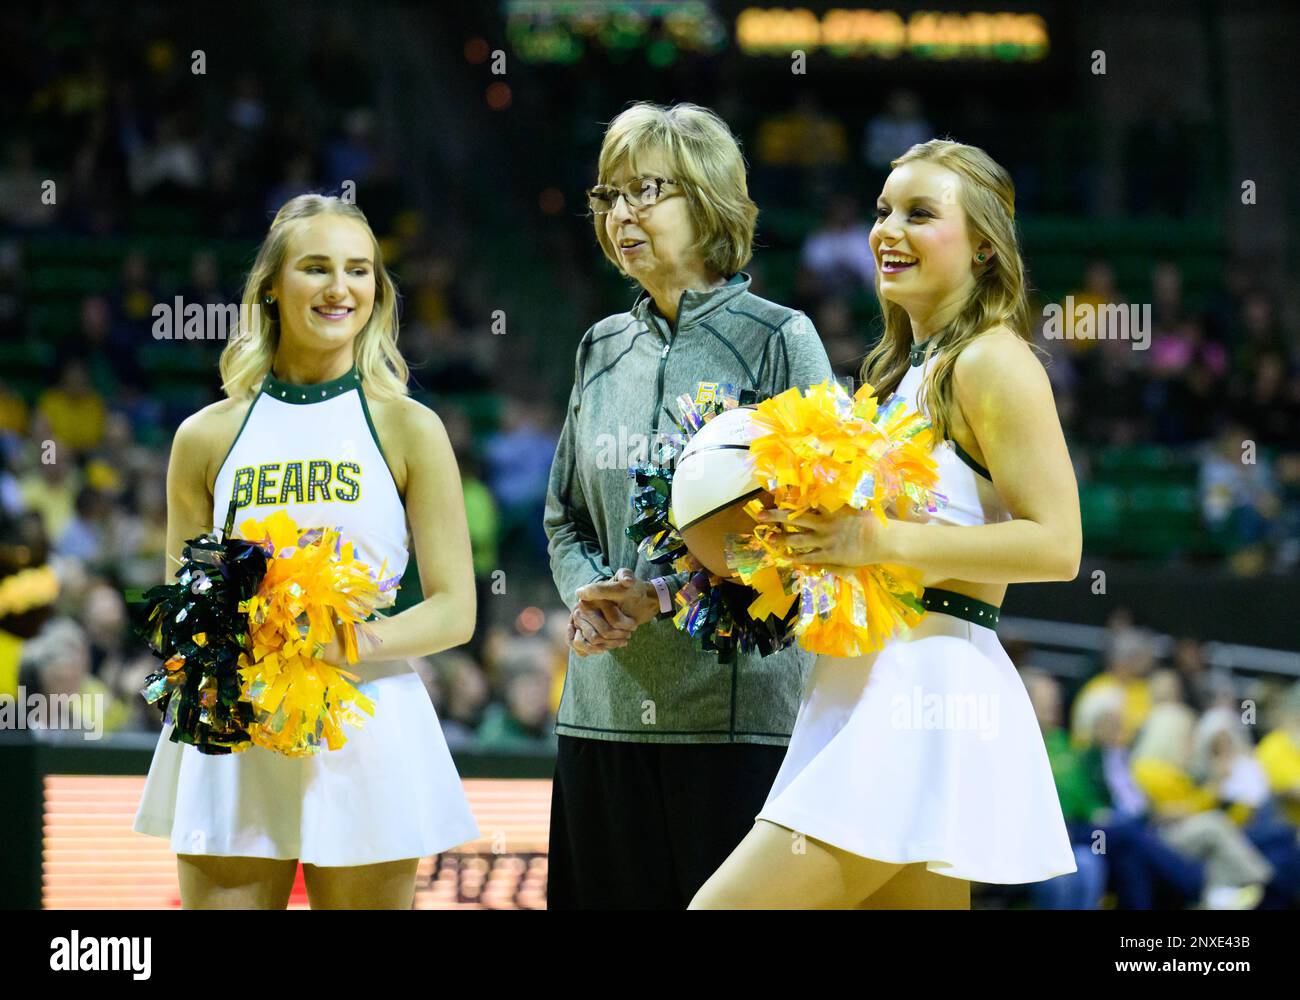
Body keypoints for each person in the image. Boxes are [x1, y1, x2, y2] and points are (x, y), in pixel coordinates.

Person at [692, 139, 1081, 909]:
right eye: (882, 211)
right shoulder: (903, 373)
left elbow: (1058, 545)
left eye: (919, 213)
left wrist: (879, 542)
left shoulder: (991, 361)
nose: (887, 231)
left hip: (924, 687)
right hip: (867, 680)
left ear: (983, 248)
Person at [133, 194, 479, 909]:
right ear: (272, 287)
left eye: (358, 271)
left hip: (365, 723)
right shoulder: (205, 435)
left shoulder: (410, 428)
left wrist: (338, 639)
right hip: (233, 729)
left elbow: (455, 611)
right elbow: (178, 611)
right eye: (315, 268)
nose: (338, 288)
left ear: (377, 292)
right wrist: (233, 634)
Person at [543, 102, 833, 909]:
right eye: (607, 196)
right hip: (598, 715)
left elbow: (814, 533)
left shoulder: (781, 338)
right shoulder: (600, 346)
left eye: (646, 190)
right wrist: (588, 598)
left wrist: (664, 598)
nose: (620, 215)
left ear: (707, 200)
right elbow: (562, 515)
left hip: (736, 723)